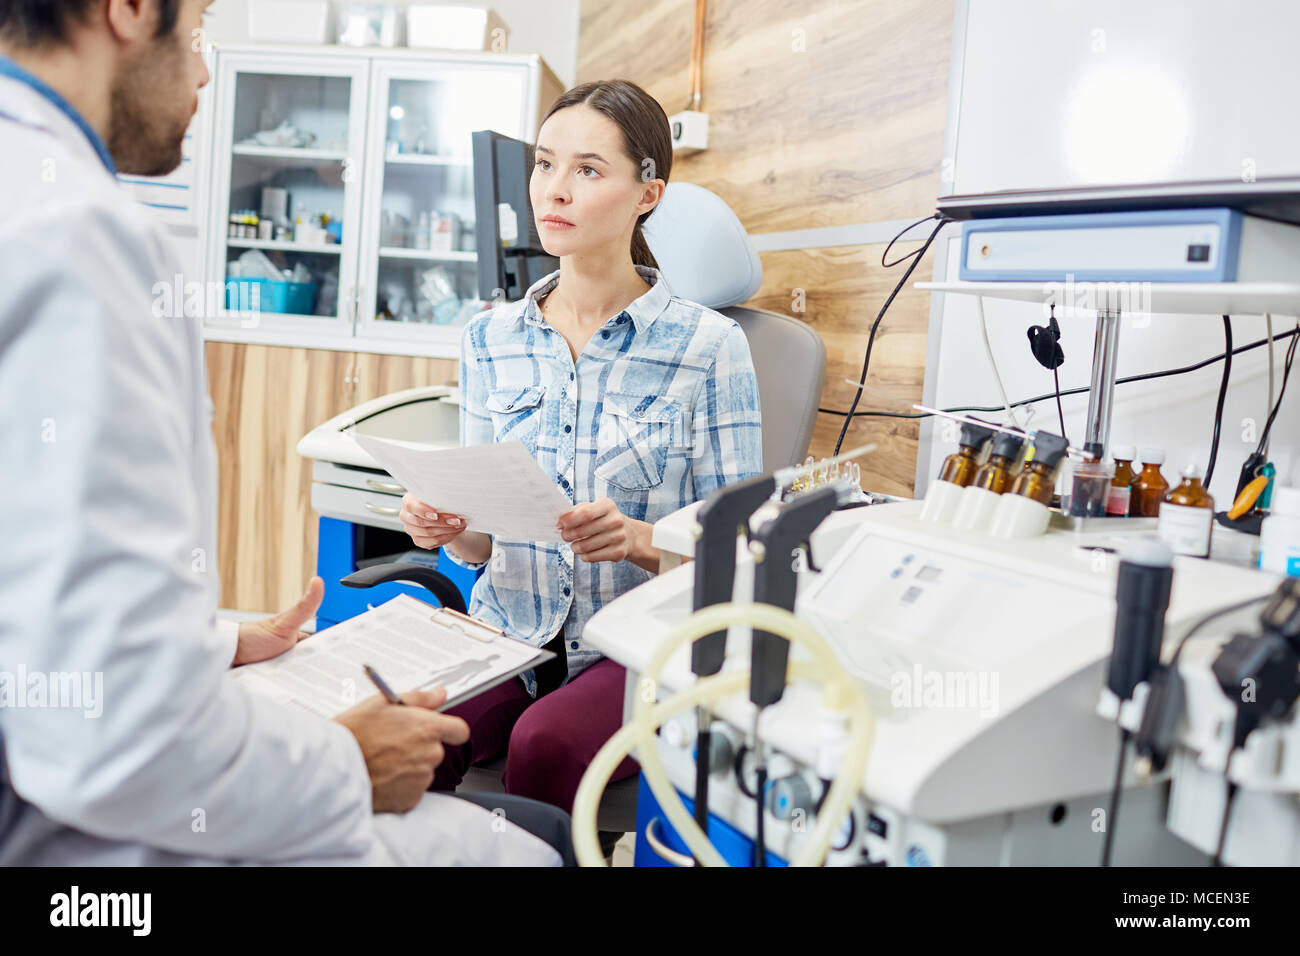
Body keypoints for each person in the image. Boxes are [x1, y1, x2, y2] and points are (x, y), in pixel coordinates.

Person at [0, 0, 565, 866]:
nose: (205, 69)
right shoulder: (81, 237)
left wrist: (217, 643)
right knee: (533, 849)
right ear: (131, 10)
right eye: (199, 26)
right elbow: (112, 738)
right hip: (70, 843)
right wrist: (349, 765)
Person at [399, 80, 764, 825]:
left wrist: (638, 541)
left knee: (547, 743)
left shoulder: (709, 346)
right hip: (509, 629)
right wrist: (446, 525)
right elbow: (480, 543)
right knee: (408, 728)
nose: (553, 190)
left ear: (647, 195)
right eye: (544, 164)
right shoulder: (489, 338)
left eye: (588, 170)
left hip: (640, 645)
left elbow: (742, 556)